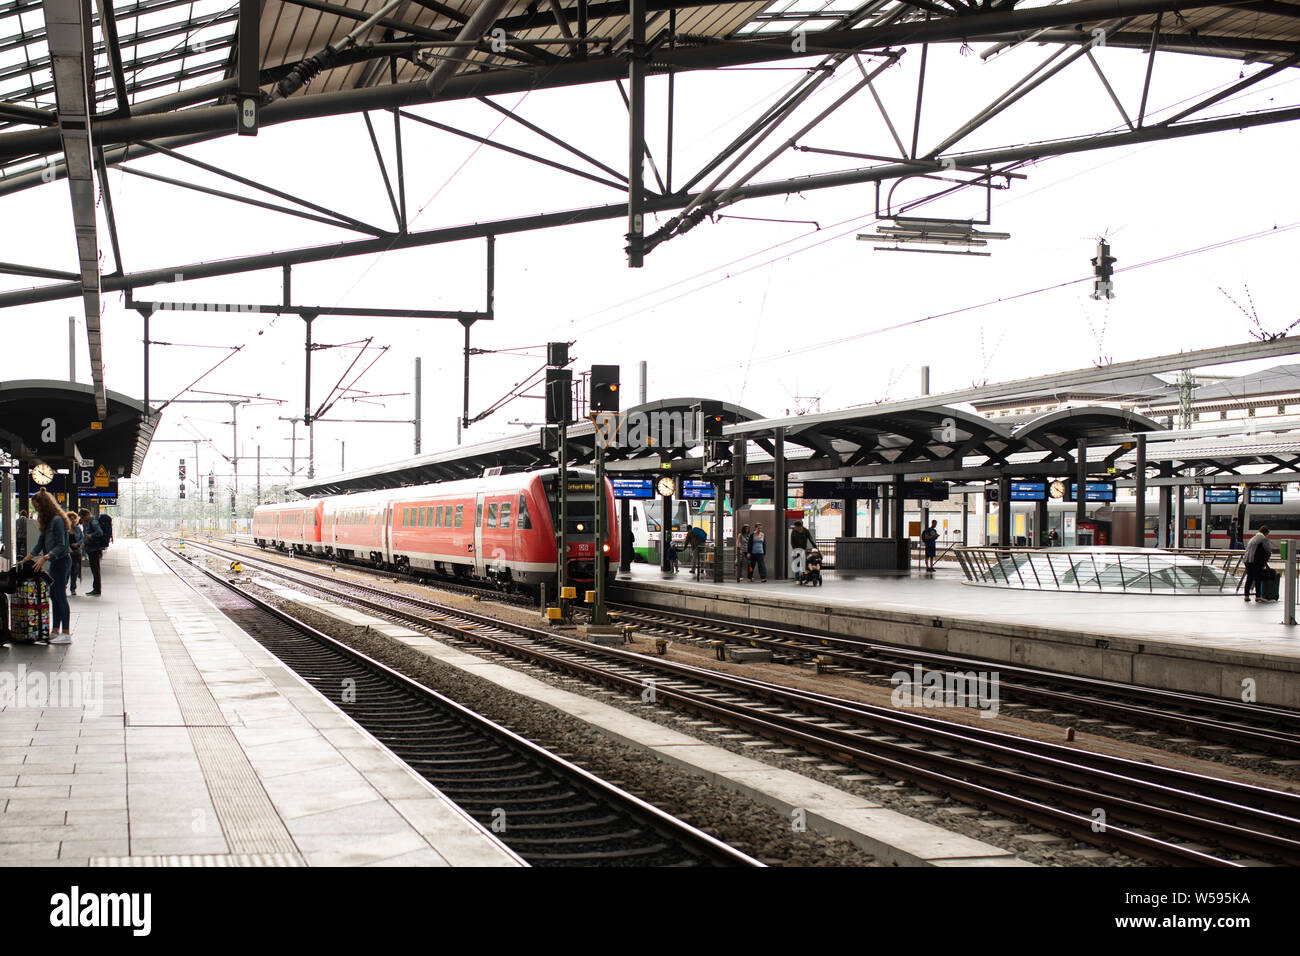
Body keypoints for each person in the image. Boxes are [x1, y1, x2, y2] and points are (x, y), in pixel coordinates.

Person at [26, 489, 71, 643]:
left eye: (37, 506)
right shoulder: (48, 521)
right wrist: (28, 558)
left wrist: (45, 557)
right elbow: (40, 543)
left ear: (44, 505)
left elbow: (61, 545)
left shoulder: (57, 520)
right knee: (54, 596)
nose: (36, 509)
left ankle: (66, 632)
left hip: (62, 561)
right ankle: (55, 630)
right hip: (55, 563)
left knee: (60, 596)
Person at [79, 508, 105, 596]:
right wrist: (84, 543)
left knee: (95, 569)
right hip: (91, 548)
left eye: (82, 517)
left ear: (86, 515)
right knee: (95, 569)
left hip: (94, 549)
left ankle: (97, 589)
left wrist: (90, 536)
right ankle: (96, 588)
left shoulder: (93, 521)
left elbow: (99, 532)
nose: (82, 520)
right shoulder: (89, 522)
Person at [1243, 525, 1272, 603]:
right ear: (1265, 533)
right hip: (1256, 561)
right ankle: (1258, 596)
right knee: (1258, 578)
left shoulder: (1253, 538)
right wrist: (1266, 559)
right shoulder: (1263, 538)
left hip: (1247, 560)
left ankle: (1246, 595)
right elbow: (1268, 550)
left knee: (1249, 578)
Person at [67, 508, 84, 595]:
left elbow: (82, 538)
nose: (73, 520)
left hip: (76, 553)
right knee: (66, 571)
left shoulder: (78, 529)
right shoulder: (65, 530)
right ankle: (64, 586)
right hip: (67, 553)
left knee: (75, 571)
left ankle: (73, 588)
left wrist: (78, 544)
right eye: (70, 518)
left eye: (74, 518)